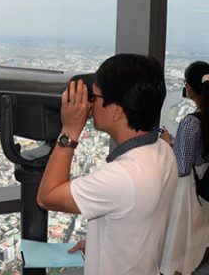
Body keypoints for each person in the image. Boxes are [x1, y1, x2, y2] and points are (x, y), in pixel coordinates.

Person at [36, 54, 177, 274]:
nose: (90, 104)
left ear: (116, 111)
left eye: (95, 96)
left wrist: (70, 130)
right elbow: (135, 221)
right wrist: (97, 244)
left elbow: (46, 197)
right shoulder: (164, 151)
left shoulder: (122, 176)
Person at [160, 61, 209, 275]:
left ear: (189, 88)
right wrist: (178, 143)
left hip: (190, 189)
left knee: (177, 240)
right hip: (208, 183)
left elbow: (181, 166)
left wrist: (167, 142)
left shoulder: (190, 123)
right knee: (193, 237)